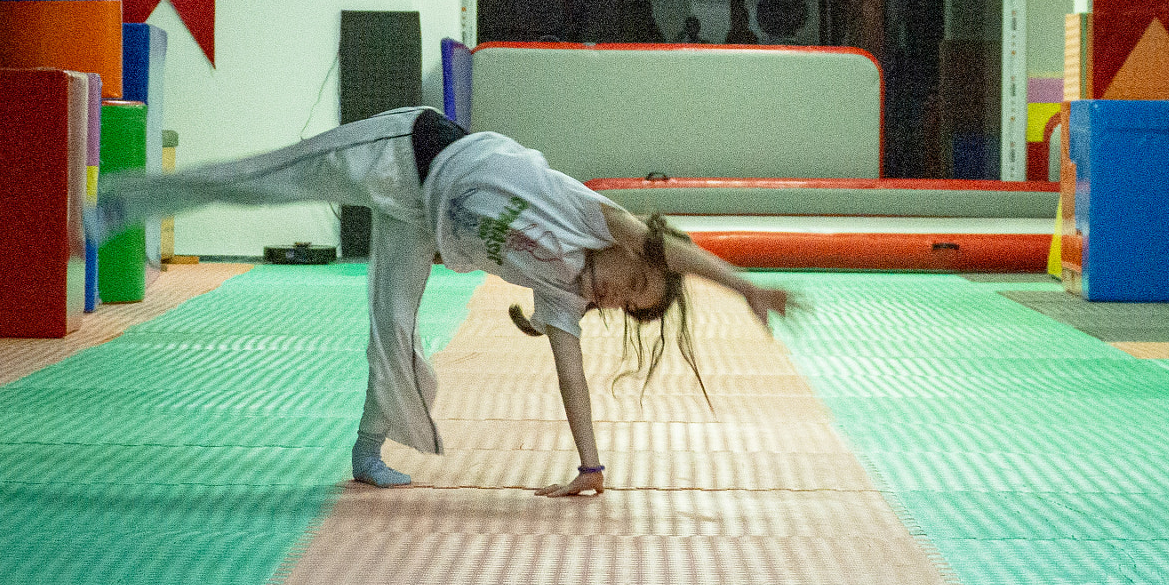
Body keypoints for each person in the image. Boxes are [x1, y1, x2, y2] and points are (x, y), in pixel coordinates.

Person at [87, 108, 793, 496]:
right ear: (640, 257)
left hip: (422, 217)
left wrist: (591, 467)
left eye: (625, 306)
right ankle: (121, 201)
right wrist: (746, 286)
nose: (614, 296)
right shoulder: (602, 221)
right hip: (406, 153)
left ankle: (367, 451)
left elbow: (570, 378)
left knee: (392, 326)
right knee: (264, 178)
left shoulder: (564, 294)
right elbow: (676, 254)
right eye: (633, 284)